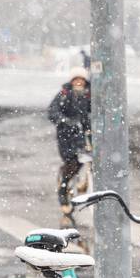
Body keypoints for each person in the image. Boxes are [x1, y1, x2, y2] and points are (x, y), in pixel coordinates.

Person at [48, 68, 91, 224]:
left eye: (81, 79)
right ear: (72, 81)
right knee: (72, 163)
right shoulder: (64, 95)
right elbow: (52, 112)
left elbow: (95, 112)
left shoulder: (89, 95)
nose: (79, 82)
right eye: (76, 79)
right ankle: (63, 190)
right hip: (67, 138)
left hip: (85, 137)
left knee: (87, 161)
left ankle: (82, 183)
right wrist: (65, 122)